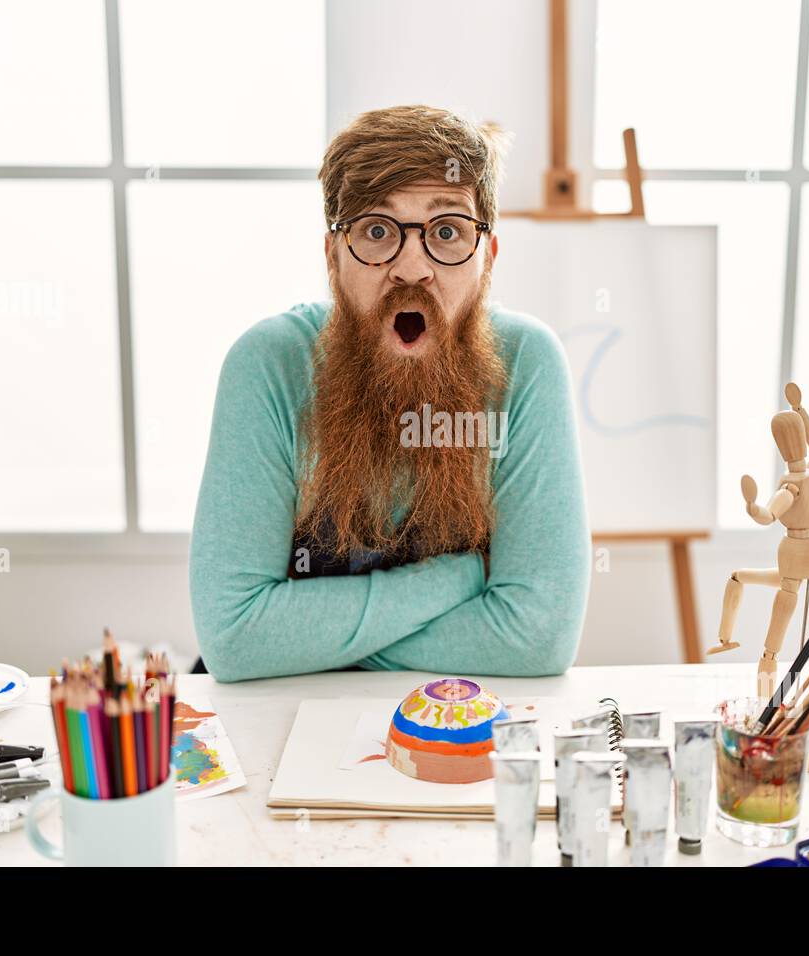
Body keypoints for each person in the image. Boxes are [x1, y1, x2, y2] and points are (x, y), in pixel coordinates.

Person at [189, 105, 589, 681]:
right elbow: (234, 637)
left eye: (447, 232)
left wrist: (303, 640)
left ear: (487, 260)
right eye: (377, 231)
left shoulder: (526, 364)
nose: (411, 267)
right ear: (332, 257)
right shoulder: (268, 365)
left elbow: (538, 638)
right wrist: (462, 578)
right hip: (272, 724)